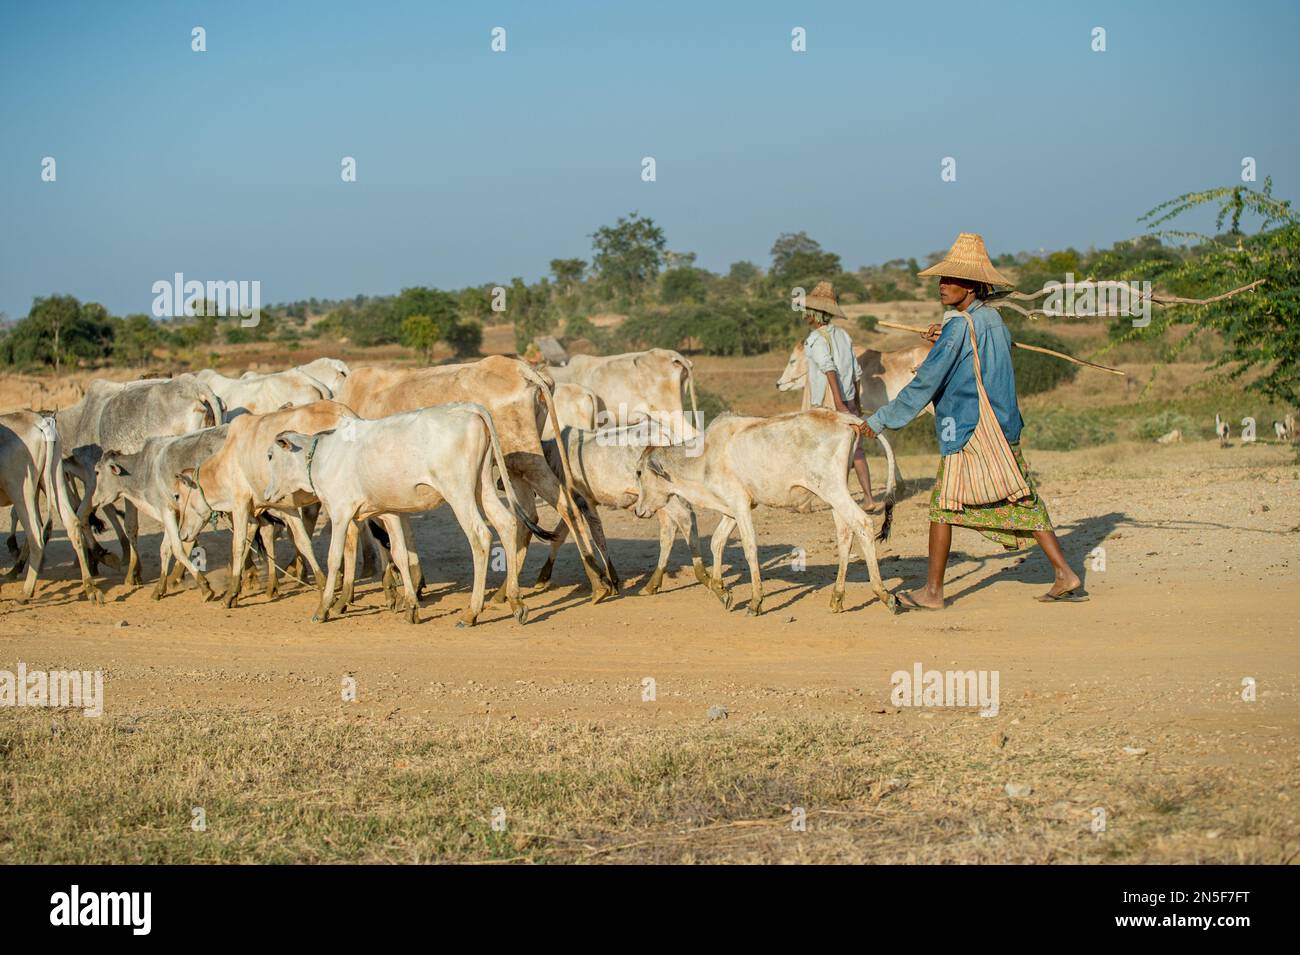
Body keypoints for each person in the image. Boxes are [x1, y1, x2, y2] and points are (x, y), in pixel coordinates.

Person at [855, 233, 1085, 609]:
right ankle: (1064, 573)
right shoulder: (991, 320)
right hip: (1001, 423)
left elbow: (927, 379)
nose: (943, 286)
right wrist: (945, 333)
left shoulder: (961, 326)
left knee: (944, 506)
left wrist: (881, 419)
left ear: (974, 285)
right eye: (941, 280)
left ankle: (932, 592)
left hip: (972, 429)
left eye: (952, 280)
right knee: (1020, 494)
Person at [801, 280, 879, 511]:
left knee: (822, 450)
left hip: (829, 401)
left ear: (814, 314)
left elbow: (828, 368)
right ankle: (868, 498)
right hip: (849, 398)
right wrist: (854, 403)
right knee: (856, 450)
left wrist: (837, 402)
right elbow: (855, 372)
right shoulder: (843, 335)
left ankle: (815, 500)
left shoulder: (815, 339)